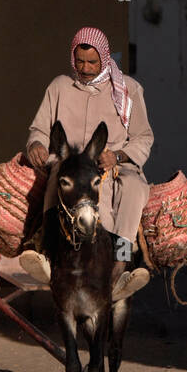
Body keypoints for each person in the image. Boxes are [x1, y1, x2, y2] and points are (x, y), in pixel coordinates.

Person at [20, 26, 153, 302]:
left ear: (105, 58)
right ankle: (47, 256)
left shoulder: (128, 89)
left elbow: (143, 137)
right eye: (80, 62)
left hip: (114, 165)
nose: (86, 68)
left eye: (92, 62)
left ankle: (121, 263)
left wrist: (117, 156)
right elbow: (39, 129)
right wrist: (36, 145)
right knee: (59, 179)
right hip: (69, 163)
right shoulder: (59, 87)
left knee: (134, 188)